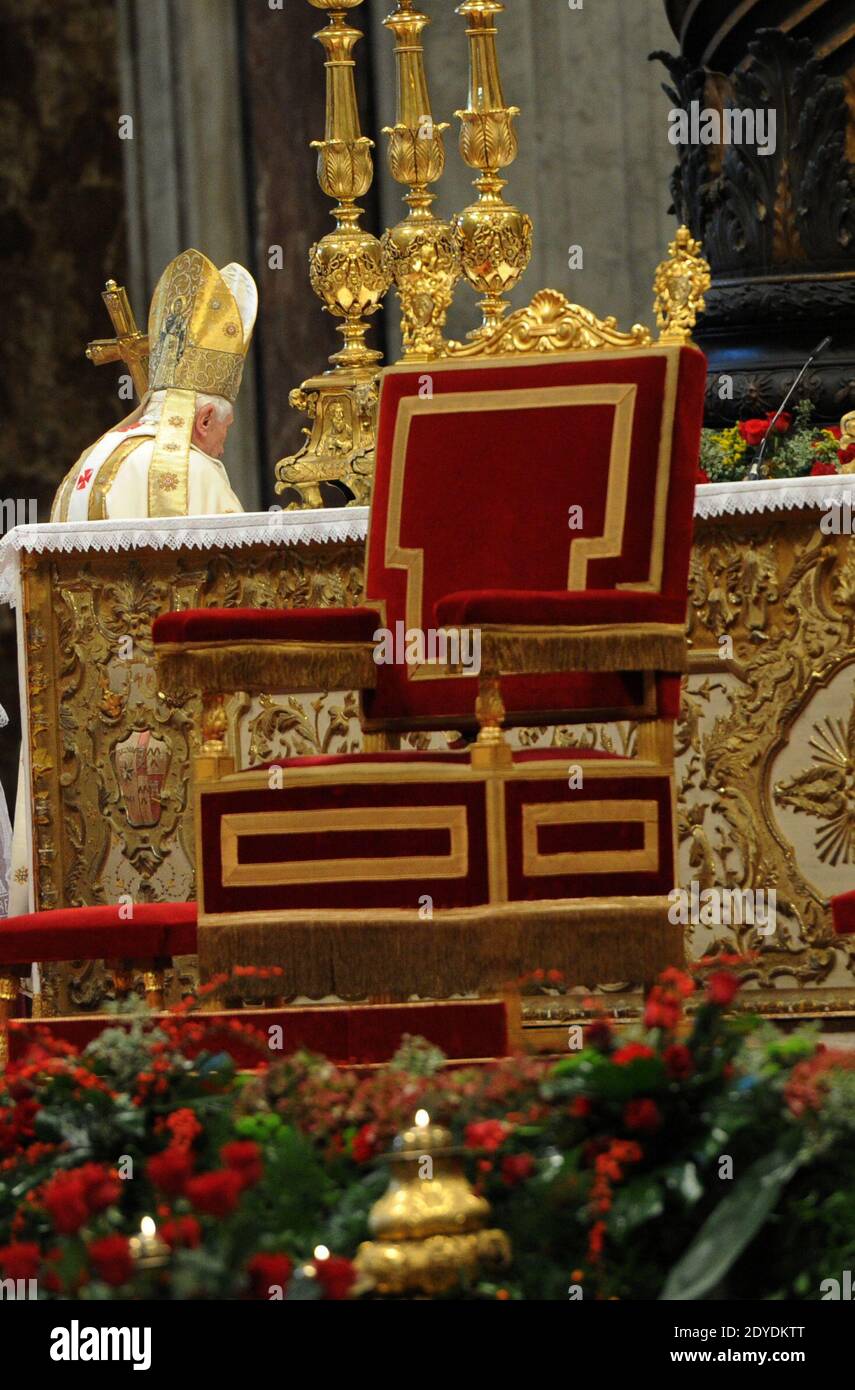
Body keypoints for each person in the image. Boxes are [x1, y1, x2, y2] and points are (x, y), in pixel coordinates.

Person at [51, 249, 257, 520]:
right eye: (225, 427)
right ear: (204, 420)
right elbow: (235, 559)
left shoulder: (89, 461)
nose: (222, 448)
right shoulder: (196, 472)